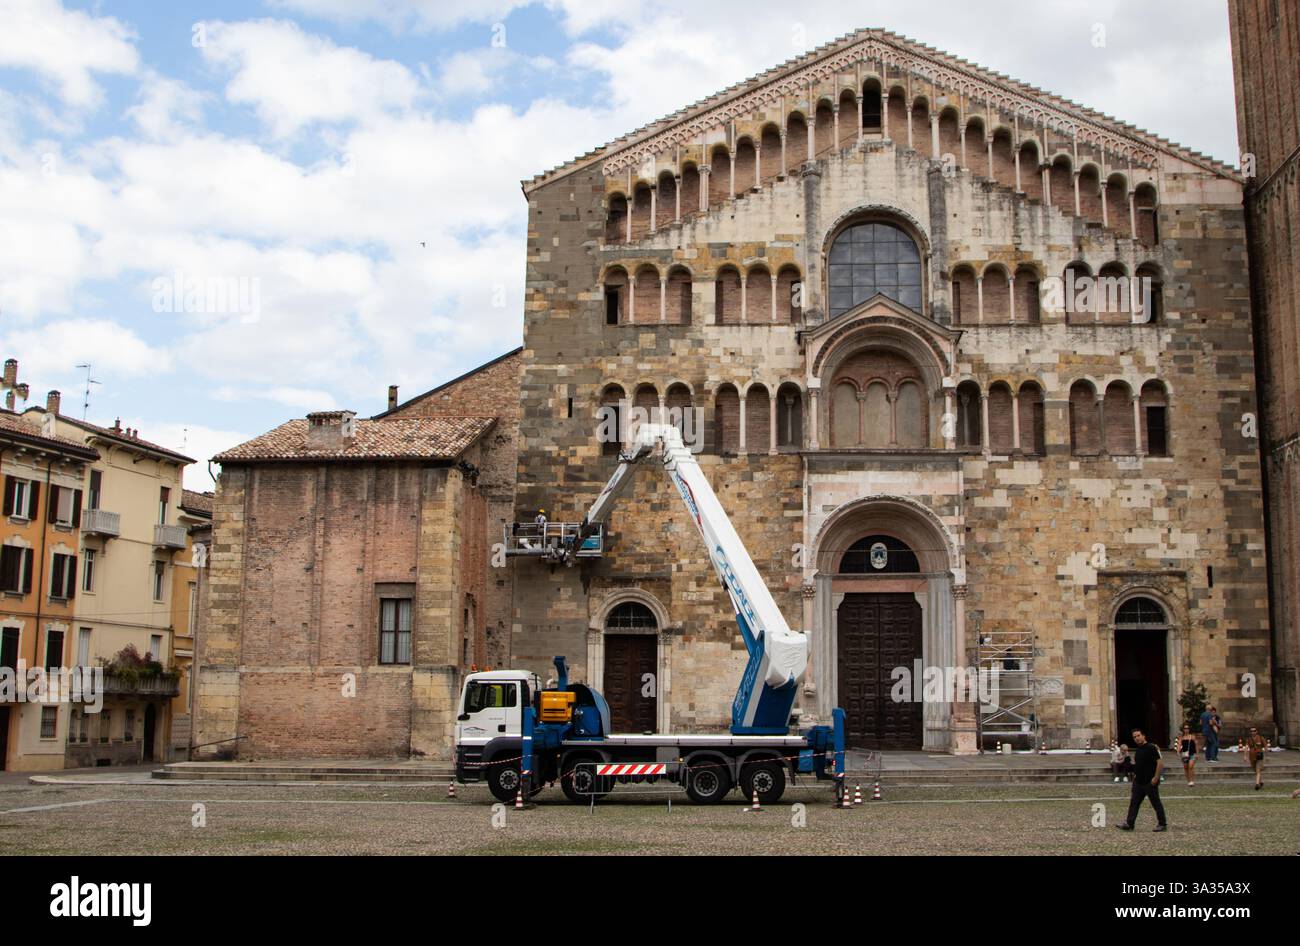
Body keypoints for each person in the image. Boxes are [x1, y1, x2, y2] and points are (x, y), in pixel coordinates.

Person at [1116, 728, 1167, 832]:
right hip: (1138, 782)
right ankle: (1130, 823)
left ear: (1143, 736)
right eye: (1134, 737)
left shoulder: (1152, 748)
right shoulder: (1138, 750)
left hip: (1150, 781)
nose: (1137, 738)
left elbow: (1160, 763)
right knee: (1134, 803)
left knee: (1156, 803)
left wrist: (1156, 777)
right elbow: (1139, 765)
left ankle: (1162, 824)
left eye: (1138, 735)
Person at [1243, 726, 1268, 790]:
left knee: (1258, 770)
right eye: (1251, 731)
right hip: (1252, 756)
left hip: (1259, 756)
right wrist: (1245, 756)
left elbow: (1265, 746)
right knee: (1255, 771)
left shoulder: (1260, 738)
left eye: (1254, 731)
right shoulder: (1249, 739)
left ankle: (1257, 784)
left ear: (1256, 731)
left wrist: (1266, 756)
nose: (1253, 732)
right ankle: (1261, 782)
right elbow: (1246, 747)